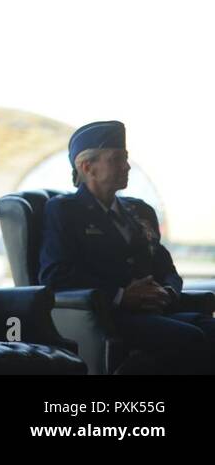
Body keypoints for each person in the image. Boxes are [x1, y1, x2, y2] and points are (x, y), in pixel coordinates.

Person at [39, 120, 215, 374]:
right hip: (109, 317)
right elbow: (55, 275)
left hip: (156, 312)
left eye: (126, 158)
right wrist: (120, 295)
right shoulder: (65, 211)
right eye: (117, 159)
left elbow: (167, 268)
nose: (127, 166)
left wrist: (167, 291)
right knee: (189, 339)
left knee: (208, 331)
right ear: (88, 167)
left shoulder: (139, 210)